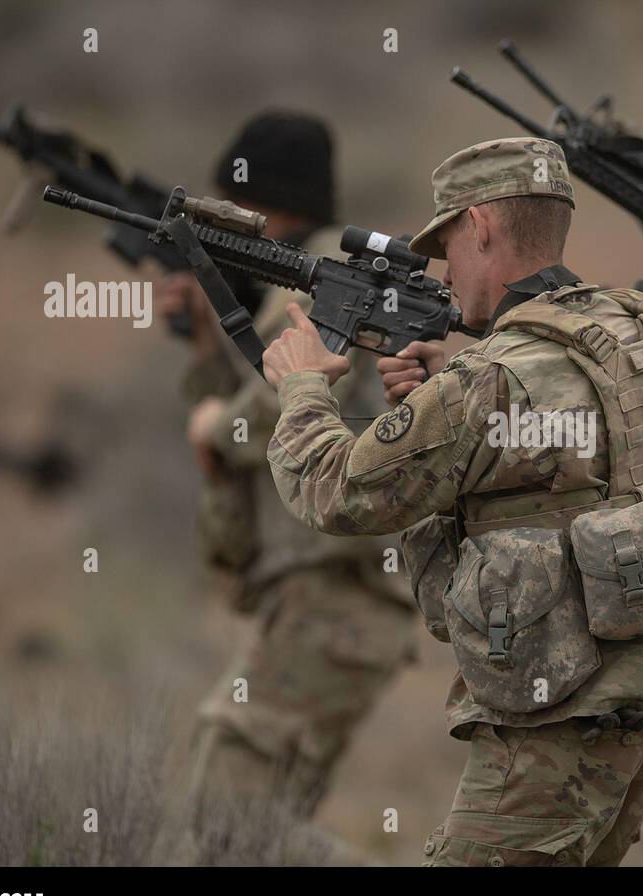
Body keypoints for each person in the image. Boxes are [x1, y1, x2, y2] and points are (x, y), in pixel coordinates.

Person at [260, 136, 643, 866]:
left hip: (562, 709)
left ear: (479, 225)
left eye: (447, 244)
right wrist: (444, 394)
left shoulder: (489, 381)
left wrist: (301, 387)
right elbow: (578, 470)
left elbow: (335, 491)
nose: (447, 271)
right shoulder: (640, 338)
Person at [158, 112, 417, 838]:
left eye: (236, 202)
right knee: (247, 824)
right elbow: (246, 412)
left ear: (270, 200)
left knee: (226, 815)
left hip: (341, 597)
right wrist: (209, 336)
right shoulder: (292, 281)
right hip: (316, 599)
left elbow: (272, 408)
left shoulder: (324, 276)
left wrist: (212, 424)